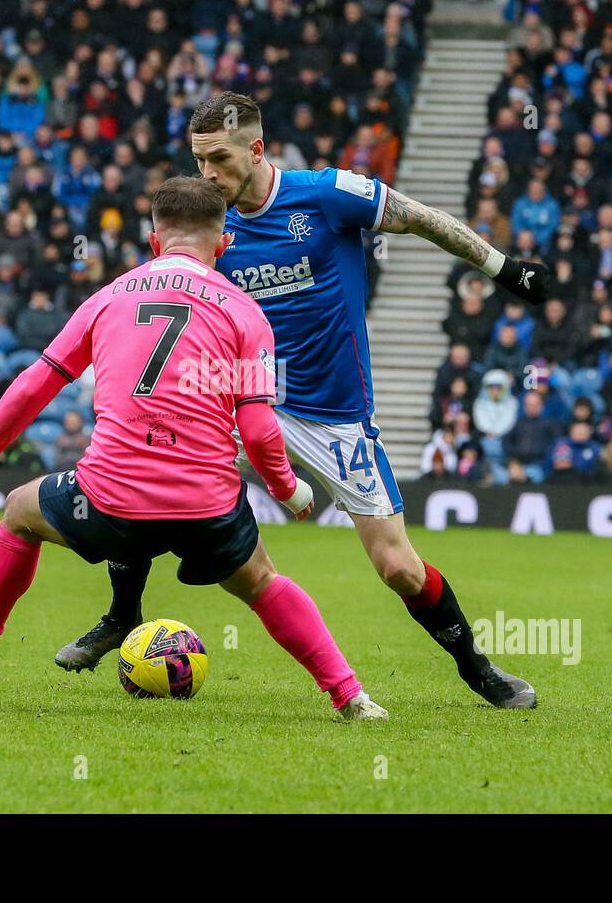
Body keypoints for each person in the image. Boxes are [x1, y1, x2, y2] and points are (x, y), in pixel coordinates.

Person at [57, 92, 537, 709]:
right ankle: (124, 612)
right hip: (239, 402)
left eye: (218, 159)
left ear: (257, 149)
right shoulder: (210, 227)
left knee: (399, 568)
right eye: (198, 160)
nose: (207, 174)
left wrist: (500, 268)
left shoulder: (327, 194)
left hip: (336, 416)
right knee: (145, 466)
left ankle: (477, 668)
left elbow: (419, 217)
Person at [0, 177, 387, 720]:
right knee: (262, 581)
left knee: (19, 512)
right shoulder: (246, 314)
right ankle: (349, 696)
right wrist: (288, 491)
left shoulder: (107, 298)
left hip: (111, 498)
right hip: (206, 505)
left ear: (153, 242)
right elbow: (260, 429)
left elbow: (33, 386)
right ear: (222, 245)